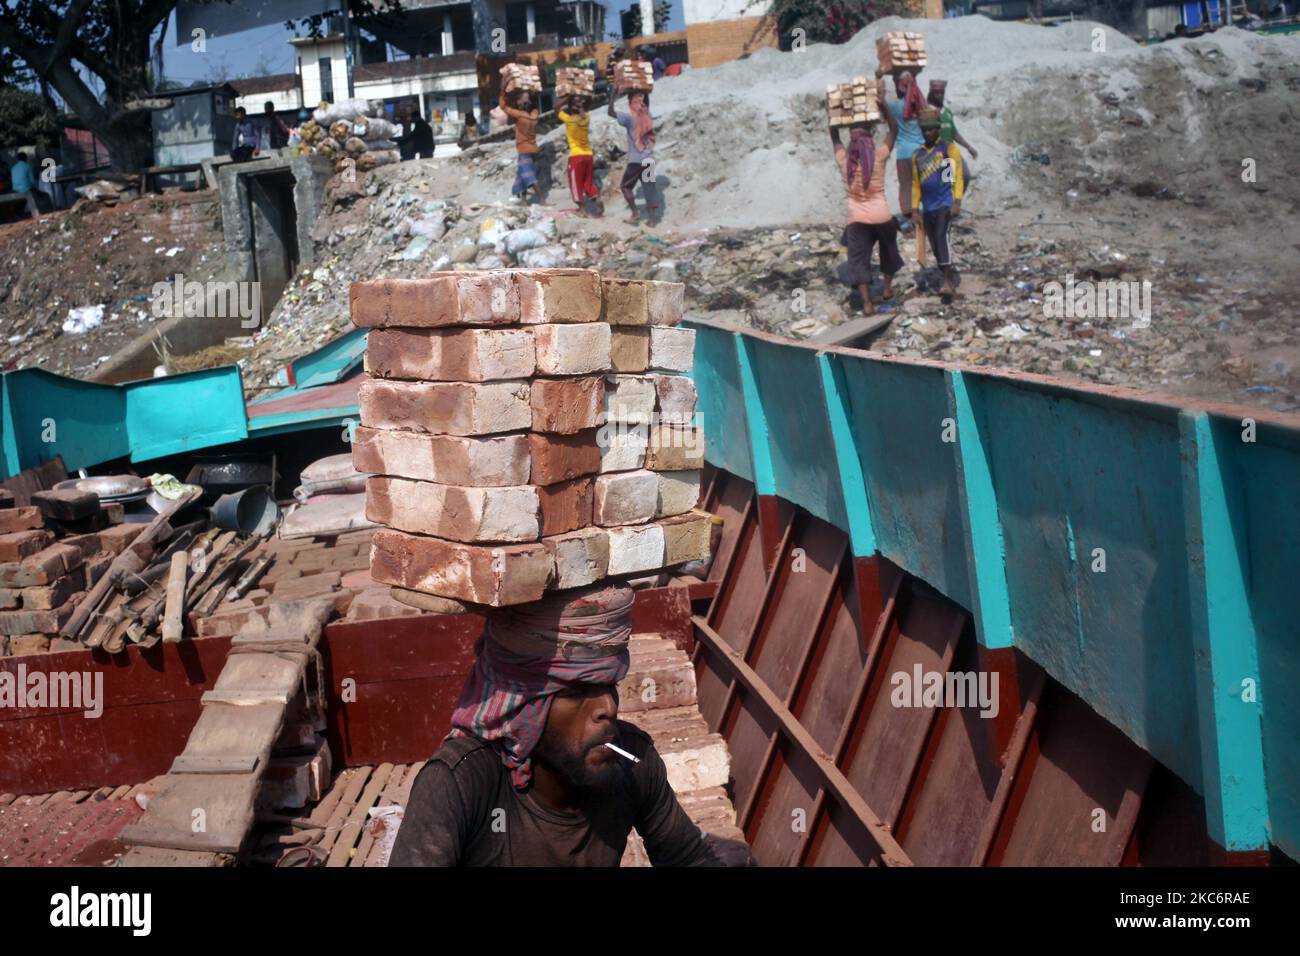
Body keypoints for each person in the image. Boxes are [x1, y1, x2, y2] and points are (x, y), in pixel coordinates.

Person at [389, 586, 728, 867]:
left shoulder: (632, 762)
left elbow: (689, 858)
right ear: (524, 708)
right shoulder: (462, 781)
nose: (607, 708)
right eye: (577, 692)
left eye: (609, 687)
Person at [831, 94, 901, 314]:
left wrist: (833, 113)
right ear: (870, 140)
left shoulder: (844, 161)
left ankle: (867, 302)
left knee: (858, 259)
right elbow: (893, 130)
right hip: (882, 215)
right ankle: (887, 288)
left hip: (857, 219)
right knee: (889, 250)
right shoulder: (879, 156)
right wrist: (884, 106)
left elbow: (834, 138)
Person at [910, 107, 964, 303]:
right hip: (928, 207)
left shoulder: (947, 150)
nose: (928, 133)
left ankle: (948, 282)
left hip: (943, 204)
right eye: (925, 130)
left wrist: (956, 201)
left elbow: (953, 178)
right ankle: (944, 277)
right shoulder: (918, 155)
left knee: (942, 239)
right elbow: (916, 184)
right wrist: (915, 209)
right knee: (934, 243)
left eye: (931, 130)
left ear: (938, 130)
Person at [608, 88, 659, 227]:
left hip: (636, 160)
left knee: (625, 187)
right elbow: (646, 104)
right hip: (649, 159)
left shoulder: (629, 118)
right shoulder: (647, 115)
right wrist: (645, 91)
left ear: (631, 101)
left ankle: (635, 213)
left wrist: (612, 95)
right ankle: (651, 220)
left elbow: (610, 112)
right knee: (649, 189)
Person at [885, 70, 926, 233]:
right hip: (921, 151)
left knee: (905, 185)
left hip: (903, 152)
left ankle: (909, 218)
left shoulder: (895, 106)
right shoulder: (921, 107)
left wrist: (878, 78)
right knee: (921, 184)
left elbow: (881, 105)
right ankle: (922, 214)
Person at [558, 95, 602, 216]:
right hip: (588, 155)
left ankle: (582, 210)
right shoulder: (586, 117)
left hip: (576, 156)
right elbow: (589, 101)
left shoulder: (569, 120)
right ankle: (597, 200)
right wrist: (582, 99)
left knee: (575, 183)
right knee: (588, 182)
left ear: (571, 108)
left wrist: (567, 98)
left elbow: (555, 107)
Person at [499, 88, 542, 202]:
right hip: (534, 149)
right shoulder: (535, 114)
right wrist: (532, 95)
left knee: (529, 176)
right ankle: (523, 201)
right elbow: (535, 105)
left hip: (524, 150)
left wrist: (502, 90)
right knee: (522, 175)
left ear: (520, 103)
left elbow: (503, 106)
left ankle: (542, 200)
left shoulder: (519, 115)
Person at [7, 152, 39, 217]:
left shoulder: (13, 168)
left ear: (17, 159)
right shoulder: (27, 166)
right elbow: (32, 181)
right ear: (26, 159)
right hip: (26, 190)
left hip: (15, 190)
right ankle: (35, 213)